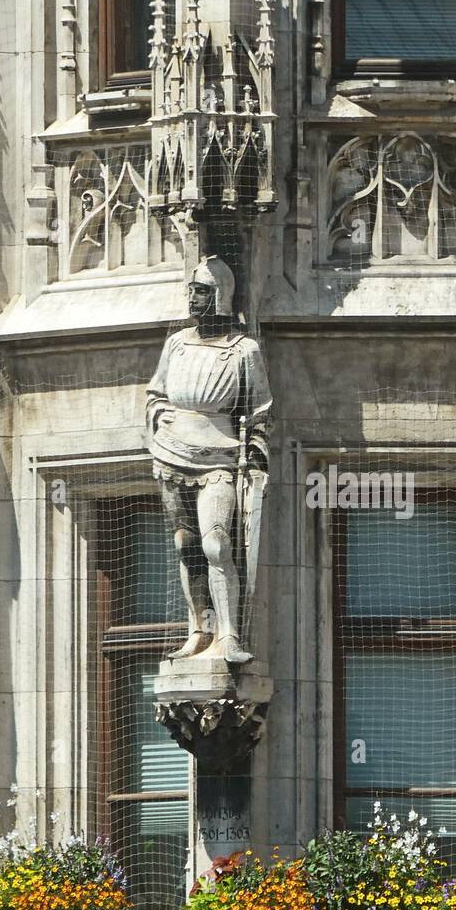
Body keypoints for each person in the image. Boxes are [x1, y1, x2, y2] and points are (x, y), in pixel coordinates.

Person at [146, 256, 271, 664]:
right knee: (186, 546)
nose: (192, 299)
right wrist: (158, 413)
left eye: (200, 292)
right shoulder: (177, 343)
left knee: (217, 543)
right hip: (170, 452)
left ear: (219, 296)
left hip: (219, 455)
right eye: (191, 291)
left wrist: (255, 450)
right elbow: (156, 392)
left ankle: (229, 633)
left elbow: (258, 410)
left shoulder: (243, 349)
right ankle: (198, 630)